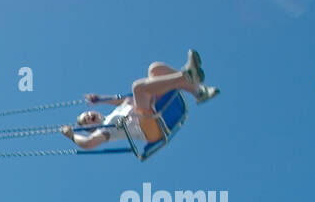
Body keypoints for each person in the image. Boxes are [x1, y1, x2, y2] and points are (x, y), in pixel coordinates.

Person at [61, 51, 218, 151]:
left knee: (155, 69)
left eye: (87, 113)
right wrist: (72, 136)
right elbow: (89, 144)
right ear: (91, 128)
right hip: (150, 130)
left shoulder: (116, 112)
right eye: (86, 120)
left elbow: (126, 100)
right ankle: (186, 76)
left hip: (152, 111)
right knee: (139, 88)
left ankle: (198, 92)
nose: (89, 116)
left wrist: (101, 99)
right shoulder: (105, 130)